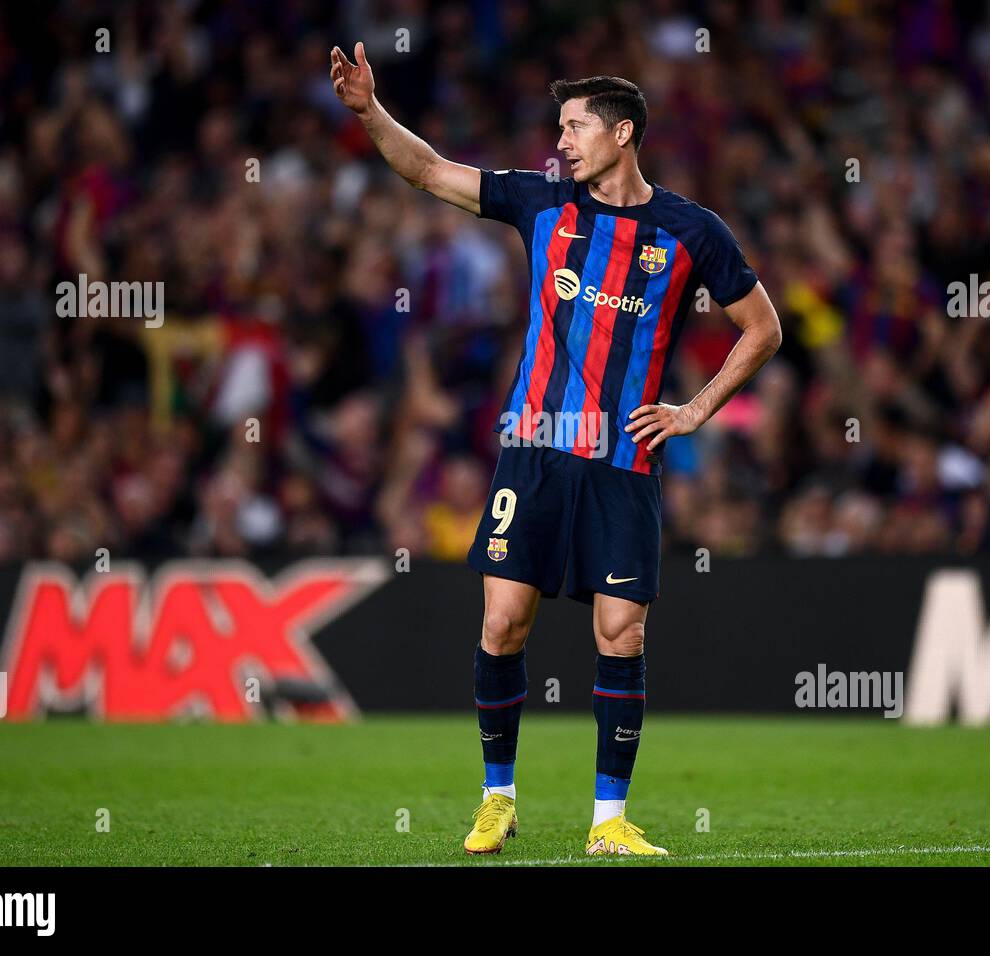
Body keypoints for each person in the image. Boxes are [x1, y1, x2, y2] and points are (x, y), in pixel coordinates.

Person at [331, 42, 782, 857]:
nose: (562, 141)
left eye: (576, 127)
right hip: (535, 449)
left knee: (623, 635)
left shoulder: (690, 232)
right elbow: (430, 172)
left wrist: (695, 410)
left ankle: (609, 820)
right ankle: (496, 799)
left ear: (624, 132)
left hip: (623, 464)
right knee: (502, 626)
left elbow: (763, 326)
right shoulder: (540, 202)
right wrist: (370, 111)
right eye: (560, 126)